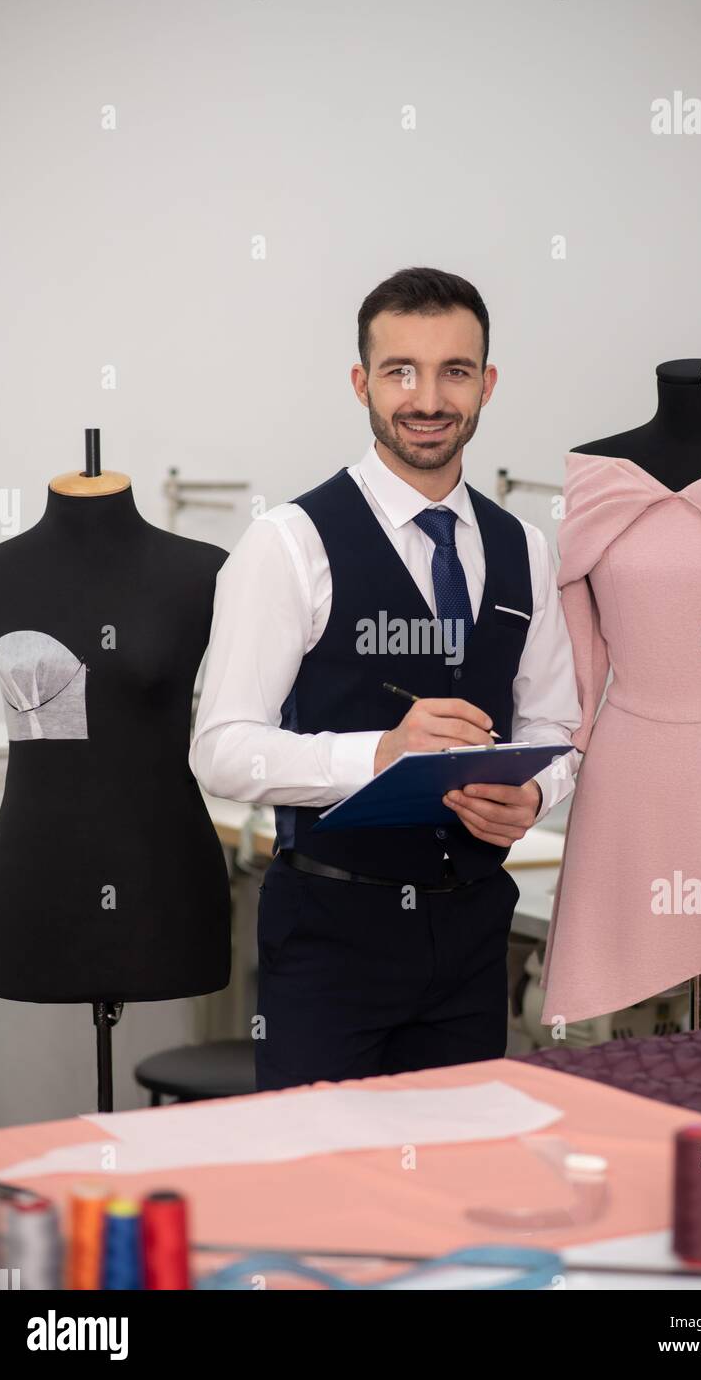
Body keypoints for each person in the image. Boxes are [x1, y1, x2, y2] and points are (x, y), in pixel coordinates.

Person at [190, 266, 581, 1089]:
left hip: (475, 935)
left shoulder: (528, 550)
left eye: (455, 371)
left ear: (488, 384)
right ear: (363, 382)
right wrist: (374, 755)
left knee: (457, 1186)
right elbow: (221, 751)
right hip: (332, 937)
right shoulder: (289, 543)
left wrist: (537, 795)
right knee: (325, 1197)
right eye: (402, 371)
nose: (428, 398)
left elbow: (556, 729)